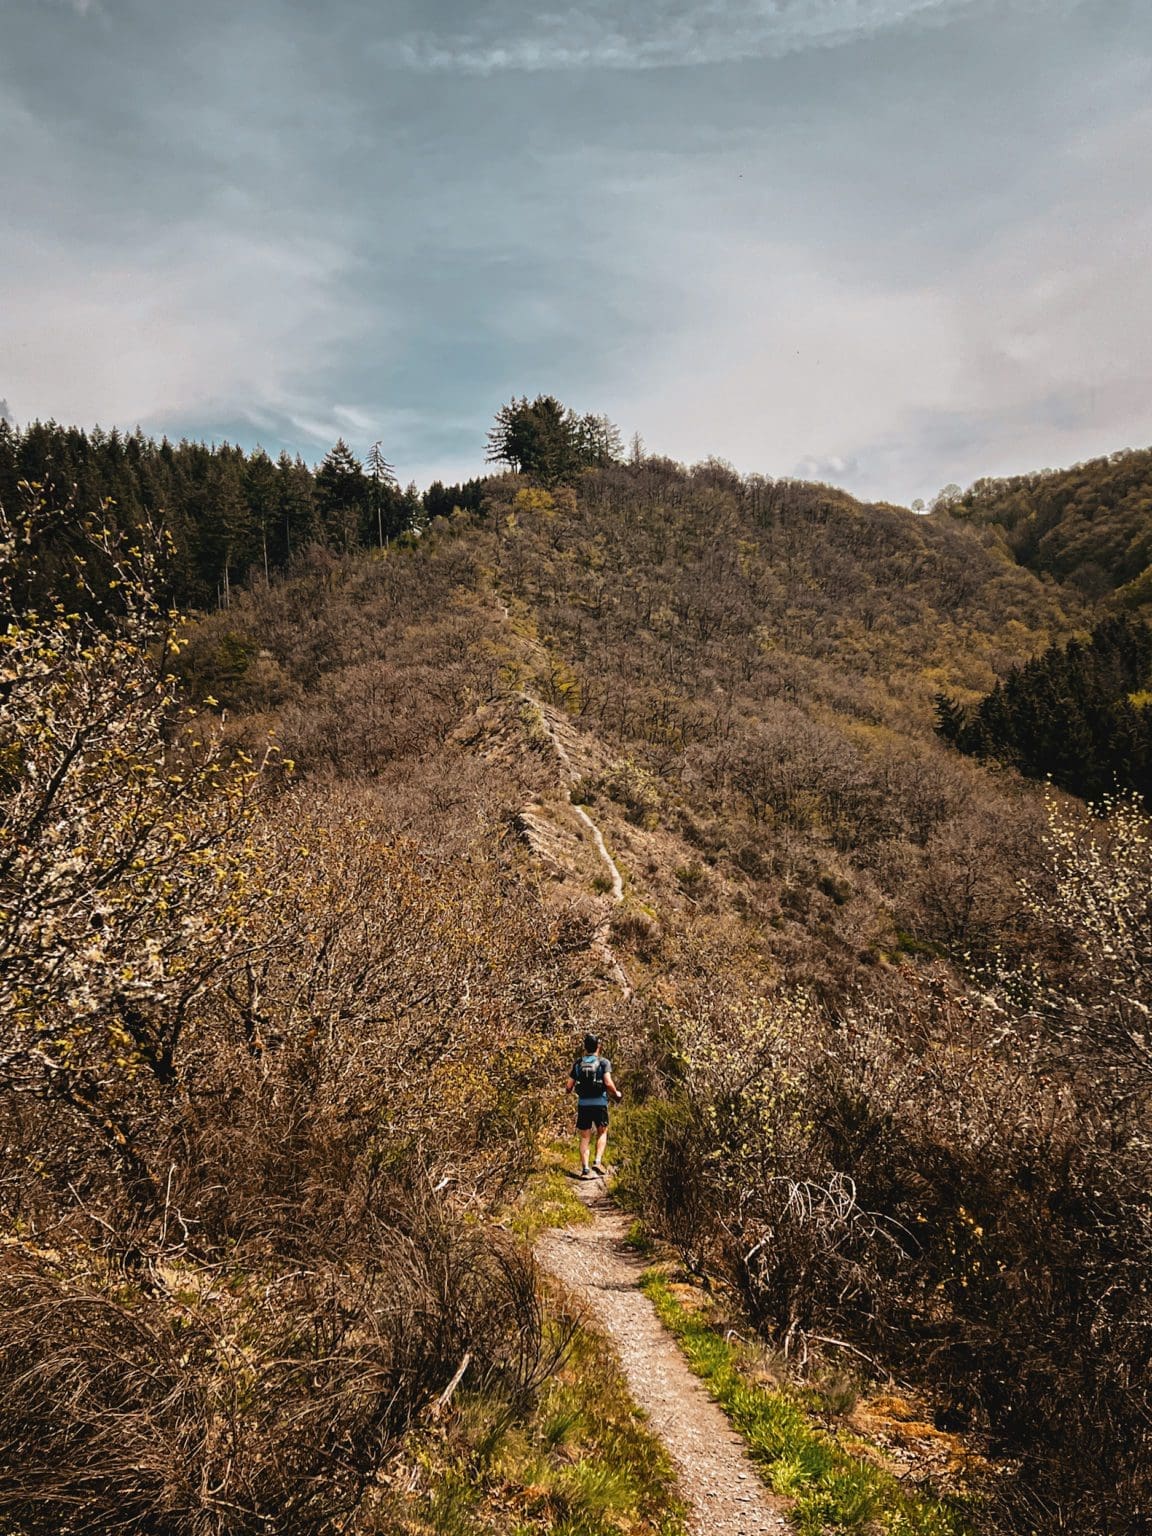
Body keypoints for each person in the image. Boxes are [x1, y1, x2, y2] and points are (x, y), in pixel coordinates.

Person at [567, 1032, 622, 1178]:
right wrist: (616, 1094)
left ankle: (585, 1169)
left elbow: (568, 1086)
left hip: (583, 1104)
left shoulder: (578, 1063)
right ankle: (597, 1162)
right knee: (602, 1132)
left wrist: (571, 1090)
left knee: (585, 1137)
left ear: (585, 1047)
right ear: (598, 1046)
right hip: (600, 1104)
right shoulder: (604, 1062)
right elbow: (608, 1083)